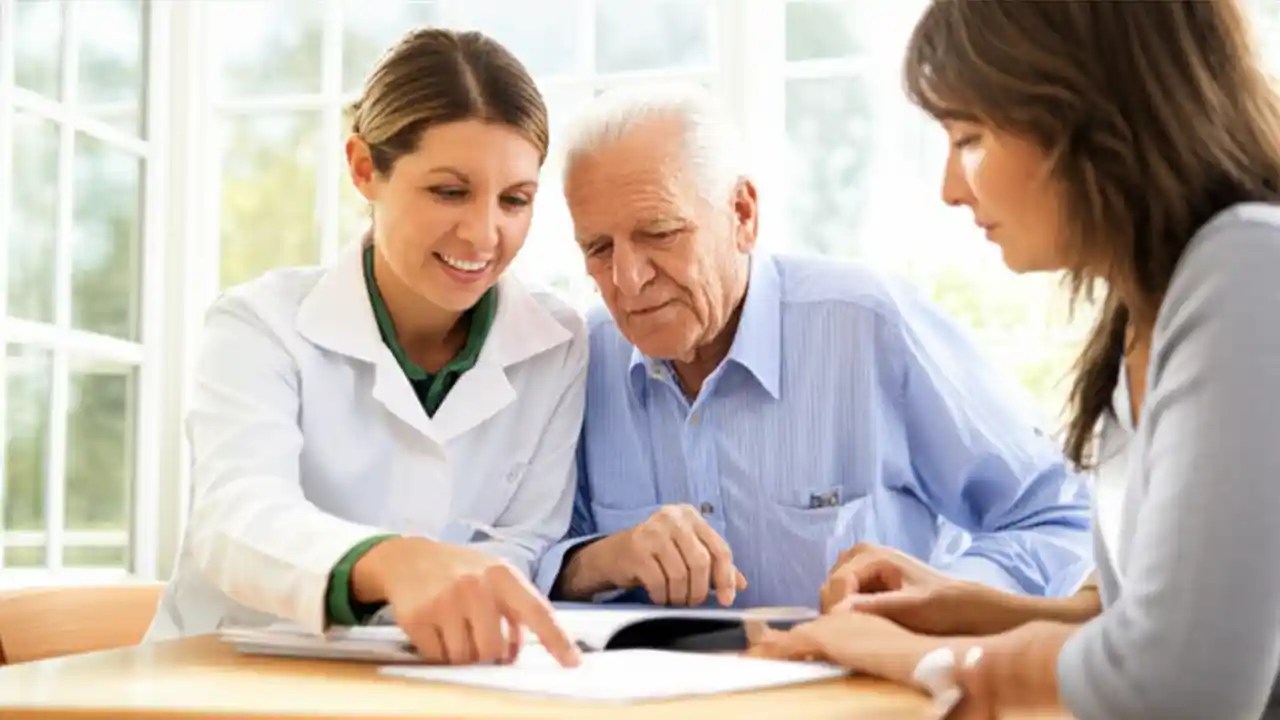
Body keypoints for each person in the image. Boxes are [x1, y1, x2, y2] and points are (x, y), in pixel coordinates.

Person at [751, 1, 1280, 717]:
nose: (949, 188)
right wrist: (957, 607)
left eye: (968, 137)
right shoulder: (1149, 311)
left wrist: (910, 657)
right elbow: (1131, 632)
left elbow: (1179, 686)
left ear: (1087, 115)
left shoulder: (1249, 270)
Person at [533, 85, 1094, 611]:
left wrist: (938, 600)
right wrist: (600, 561)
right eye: (599, 248)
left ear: (743, 215)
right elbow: (530, 557)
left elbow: (1060, 518)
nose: (627, 280)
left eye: (659, 233)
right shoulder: (585, 358)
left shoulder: (868, 325)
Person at [146, 28, 584, 669]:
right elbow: (234, 519)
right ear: (363, 169)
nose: (484, 233)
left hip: (440, 681)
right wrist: (392, 564)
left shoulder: (556, 342)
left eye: (515, 200)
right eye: (449, 191)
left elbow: (529, 541)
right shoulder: (260, 324)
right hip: (228, 681)